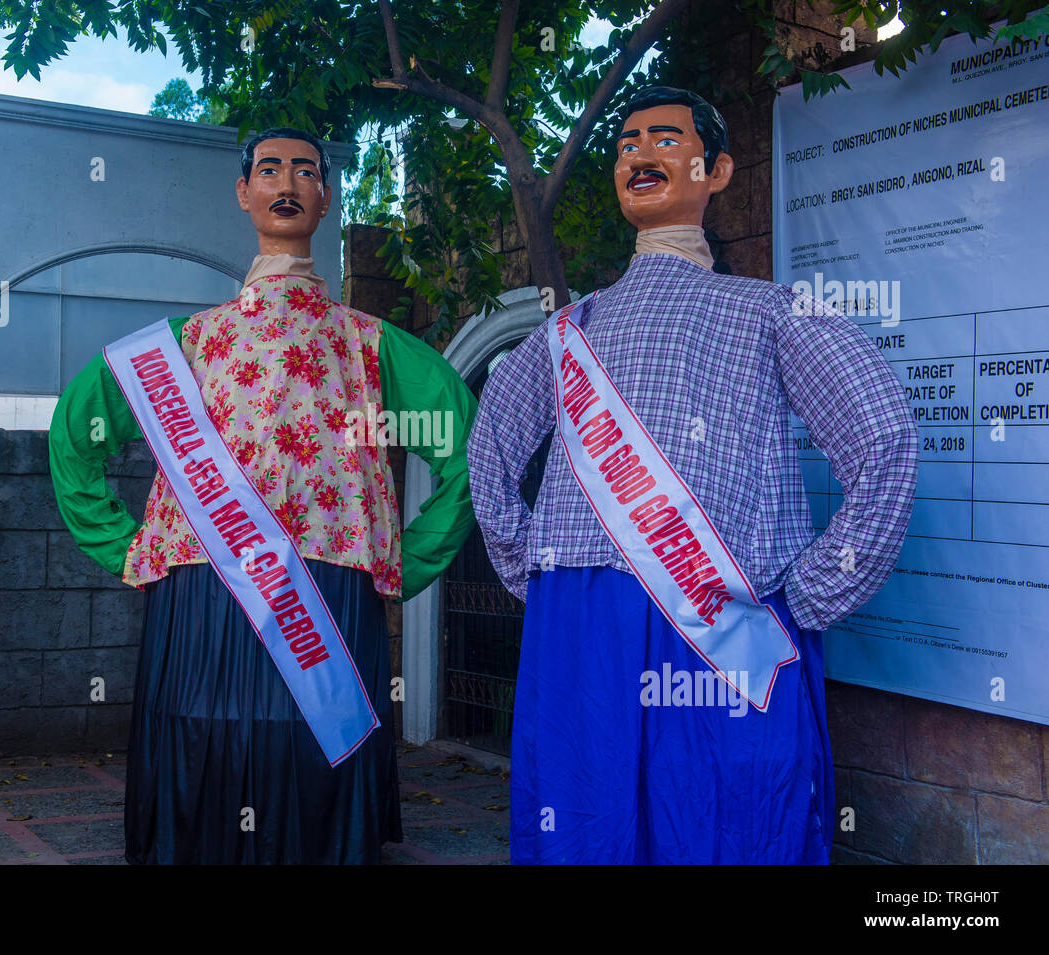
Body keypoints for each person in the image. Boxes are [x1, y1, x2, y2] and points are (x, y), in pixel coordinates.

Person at [466, 87, 918, 864]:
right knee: (586, 817)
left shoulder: (774, 313)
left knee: (725, 818)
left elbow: (883, 439)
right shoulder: (565, 332)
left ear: (719, 169)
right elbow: (490, 448)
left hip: (724, 624)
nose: (641, 153)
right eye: (627, 143)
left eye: (666, 138)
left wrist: (808, 592)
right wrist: (540, 577)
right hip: (585, 630)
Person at [49, 127, 477, 864]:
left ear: (326, 196)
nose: (287, 181)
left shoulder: (374, 347)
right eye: (269, 168)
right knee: (202, 734)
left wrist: (411, 556)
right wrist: (132, 545)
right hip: (202, 595)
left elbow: (468, 449)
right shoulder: (181, 345)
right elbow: (76, 433)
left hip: (331, 596)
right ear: (243, 192)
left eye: (306, 170)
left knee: (310, 750)